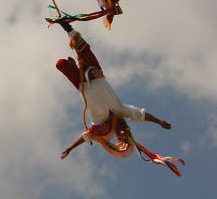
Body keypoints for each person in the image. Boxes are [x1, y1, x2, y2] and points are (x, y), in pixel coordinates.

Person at [54, 21, 171, 160]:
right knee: (83, 49)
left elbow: (87, 136)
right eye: (125, 132)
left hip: (82, 84)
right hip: (95, 72)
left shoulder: (101, 127)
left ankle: (73, 65)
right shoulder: (121, 110)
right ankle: (67, 27)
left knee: (60, 64)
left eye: (120, 135)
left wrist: (70, 148)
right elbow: (142, 115)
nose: (121, 132)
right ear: (127, 130)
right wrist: (160, 121)